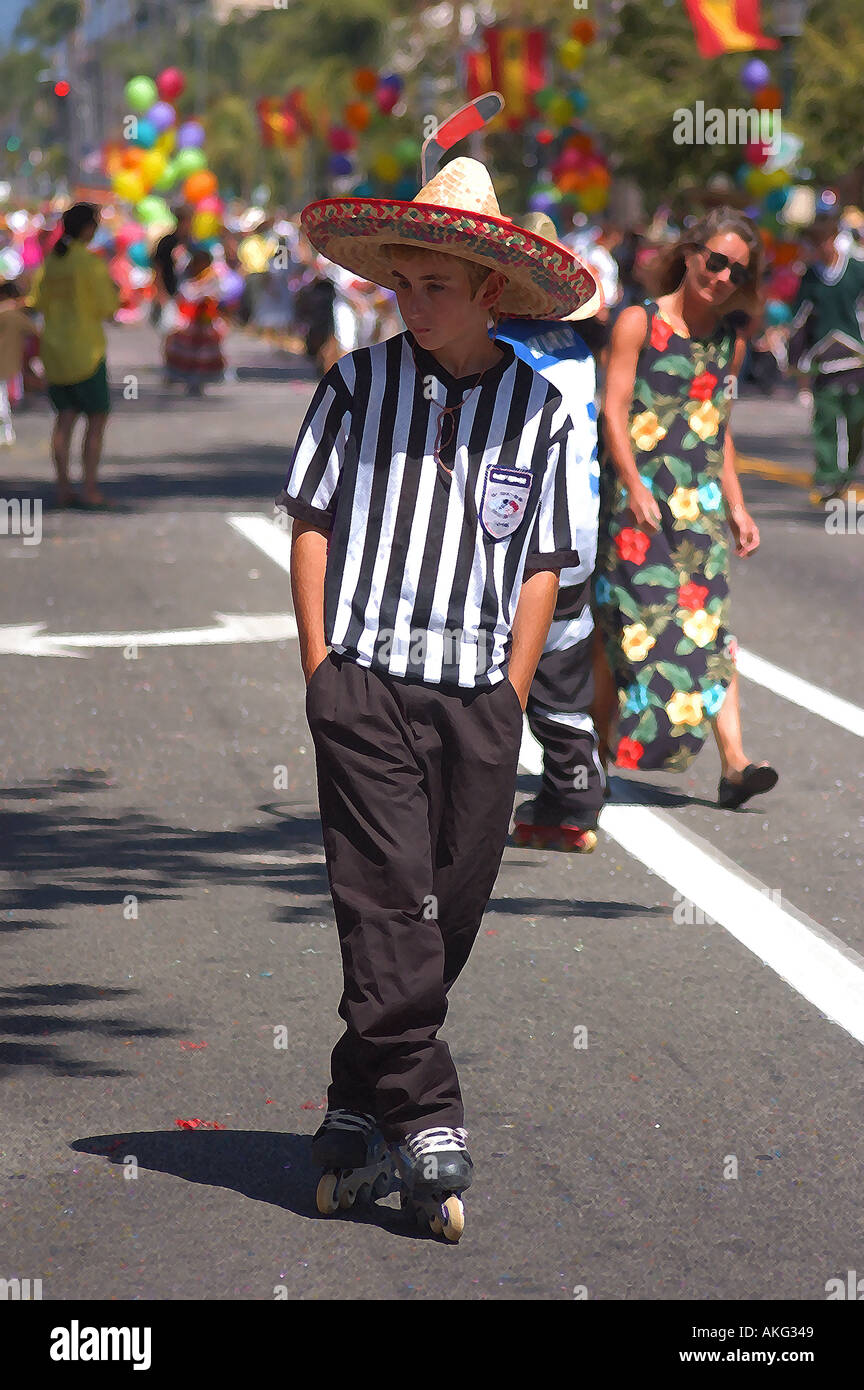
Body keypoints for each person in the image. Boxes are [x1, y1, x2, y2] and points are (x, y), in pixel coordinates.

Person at [277, 155, 596, 1238]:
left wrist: (511, 692)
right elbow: (311, 517)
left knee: (442, 913)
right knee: (383, 898)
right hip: (365, 681)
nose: (413, 304)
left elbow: (547, 557)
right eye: (402, 284)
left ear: (491, 292)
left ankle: (360, 1099)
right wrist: (321, 664)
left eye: (436, 288)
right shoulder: (354, 385)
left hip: (478, 698)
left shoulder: (543, 411)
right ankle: (427, 1113)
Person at [594, 206, 779, 809]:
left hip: (697, 506)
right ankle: (596, 753)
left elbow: (715, 427)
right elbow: (613, 409)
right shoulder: (637, 323)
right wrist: (634, 485)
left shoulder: (728, 340)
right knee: (631, 628)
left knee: (710, 632)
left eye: (735, 270)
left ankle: (735, 764)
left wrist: (738, 506)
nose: (721, 276)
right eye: (714, 260)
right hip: (638, 506)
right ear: (690, 254)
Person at [497, 211, 606, 852]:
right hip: (579, 534)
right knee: (561, 667)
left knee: (490, 667)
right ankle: (573, 793)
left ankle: (467, 798)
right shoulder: (574, 347)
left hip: (518, 536)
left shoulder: (500, 350)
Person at [29, 202, 119, 509]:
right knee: (96, 420)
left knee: (64, 419)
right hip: (86, 352)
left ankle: (64, 488)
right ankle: (90, 489)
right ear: (87, 229)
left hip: (54, 352)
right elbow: (108, 307)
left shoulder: (52, 263)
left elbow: (37, 301)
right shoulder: (90, 264)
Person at [787, 212, 864, 501]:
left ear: (834, 239)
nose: (821, 248)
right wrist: (796, 360)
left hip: (858, 360)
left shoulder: (857, 271)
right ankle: (828, 476)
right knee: (827, 420)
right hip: (824, 360)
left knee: (857, 420)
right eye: (814, 242)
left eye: (824, 241)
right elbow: (800, 320)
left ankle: (844, 474)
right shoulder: (810, 278)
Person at [163, 246, 225, 395]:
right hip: (189, 323)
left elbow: (215, 296)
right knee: (186, 352)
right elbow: (185, 296)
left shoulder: (212, 278)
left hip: (205, 322)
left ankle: (199, 381)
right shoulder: (188, 279)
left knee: (202, 355)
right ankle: (183, 377)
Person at [0, 281, 34, 446]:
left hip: (7, 365)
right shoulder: (16, 316)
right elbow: (35, 333)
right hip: (9, 364)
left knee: (3, 400)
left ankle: (6, 433)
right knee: (3, 402)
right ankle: (6, 434)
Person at [151, 206, 192, 319]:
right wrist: (161, 292)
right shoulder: (166, 242)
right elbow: (158, 268)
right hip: (170, 291)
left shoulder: (192, 243)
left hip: (188, 295)